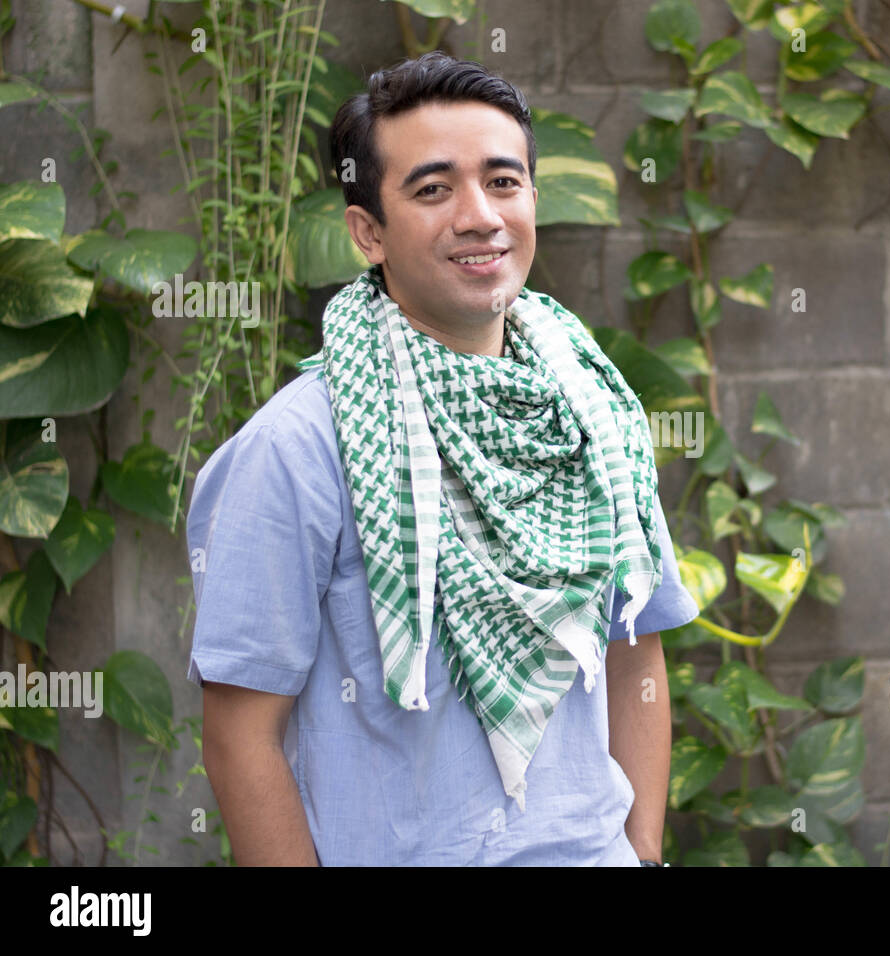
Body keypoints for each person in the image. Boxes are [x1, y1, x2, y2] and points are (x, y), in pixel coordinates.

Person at [186, 50, 699, 866]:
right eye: (432, 189)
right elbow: (241, 737)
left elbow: (634, 648)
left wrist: (640, 852)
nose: (479, 216)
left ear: (533, 197)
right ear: (368, 233)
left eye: (503, 182)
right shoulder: (296, 450)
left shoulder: (594, 411)